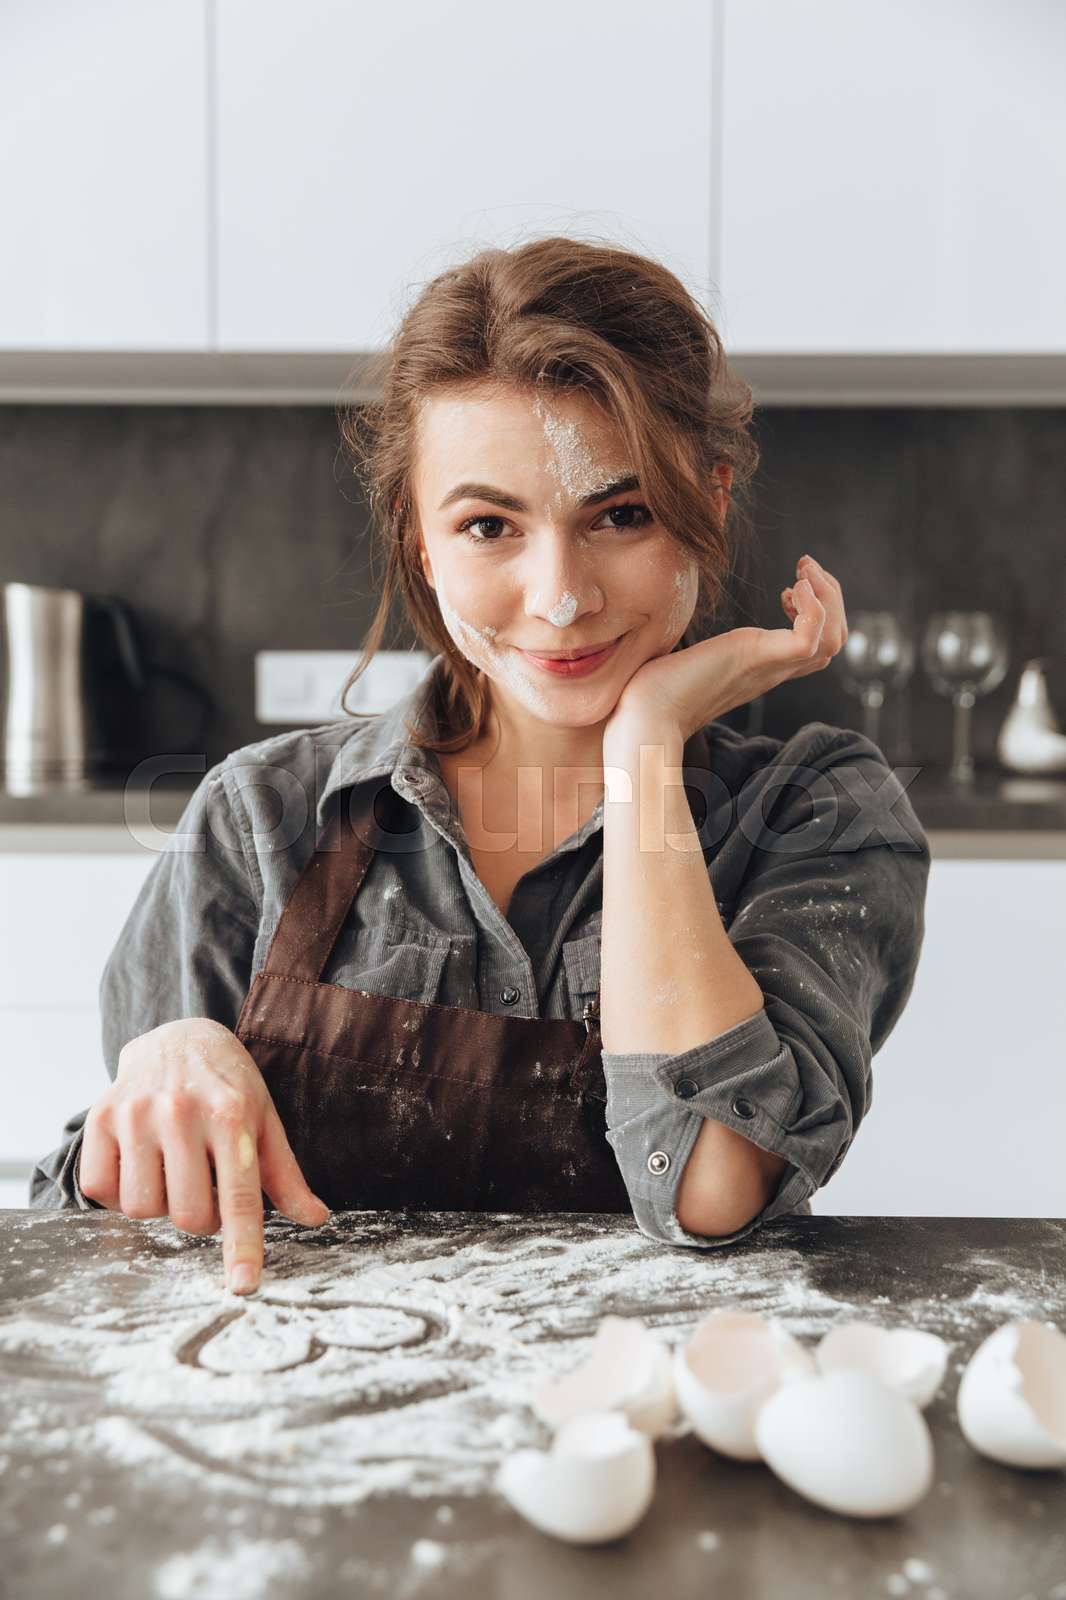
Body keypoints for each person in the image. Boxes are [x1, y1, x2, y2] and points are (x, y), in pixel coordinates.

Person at [31, 236, 929, 1297]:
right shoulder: (259, 817)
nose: (559, 595)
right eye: (489, 524)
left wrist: (644, 745)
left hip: (661, 1434)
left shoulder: (815, 812)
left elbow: (706, 1188)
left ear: (711, 501)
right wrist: (164, 1069)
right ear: (419, 539)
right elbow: (98, 1241)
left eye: (621, 514)